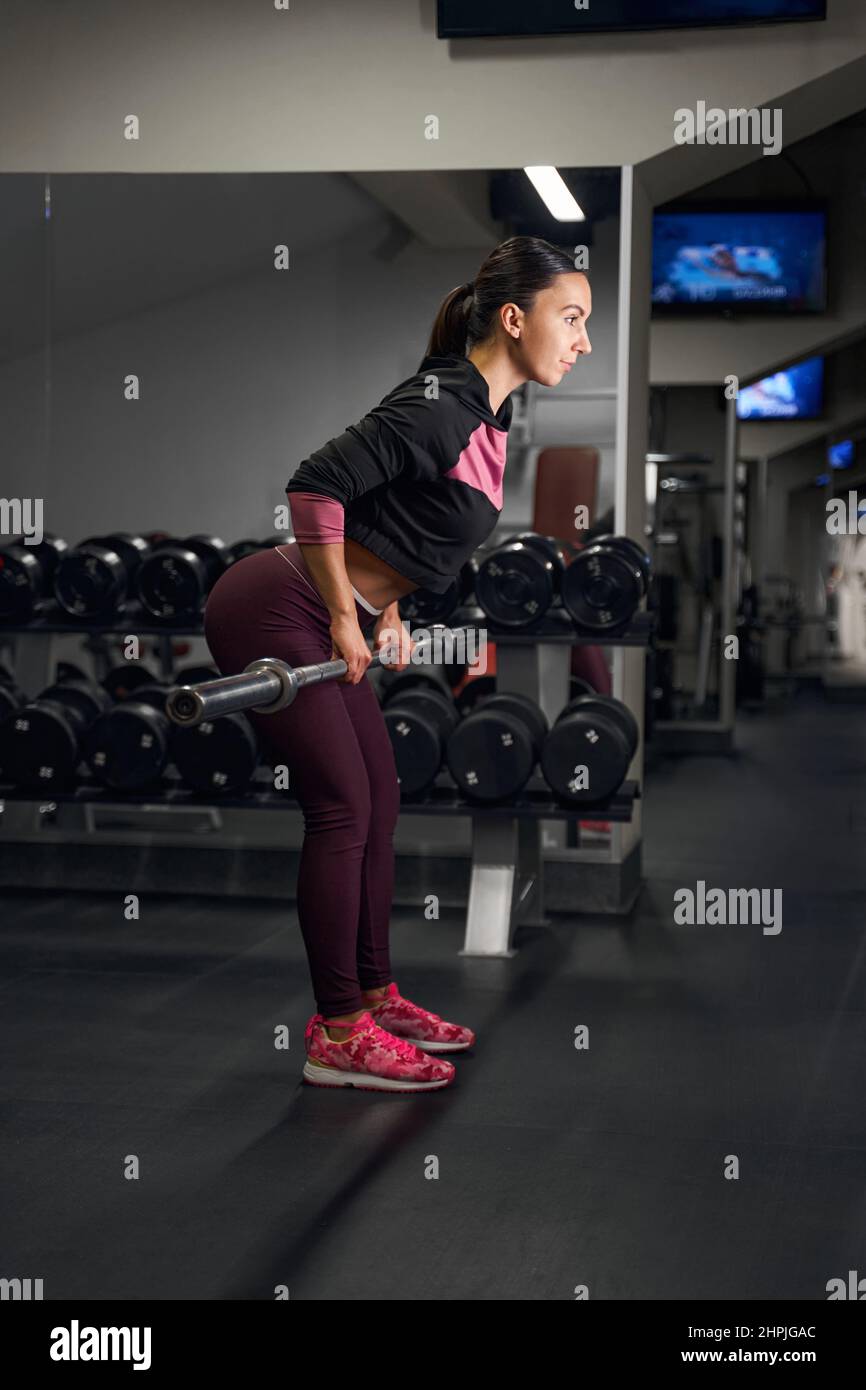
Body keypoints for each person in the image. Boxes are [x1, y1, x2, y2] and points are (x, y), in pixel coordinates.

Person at [202, 234, 592, 1093]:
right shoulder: (442, 404)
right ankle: (337, 1032)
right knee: (341, 808)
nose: (582, 340)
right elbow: (315, 486)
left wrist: (391, 607)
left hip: (323, 609)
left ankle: (373, 997)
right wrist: (346, 610)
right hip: (274, 605)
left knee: (377, 801)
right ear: (515, 317)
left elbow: (403, 519)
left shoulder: (489, 413)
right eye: (572, 318)